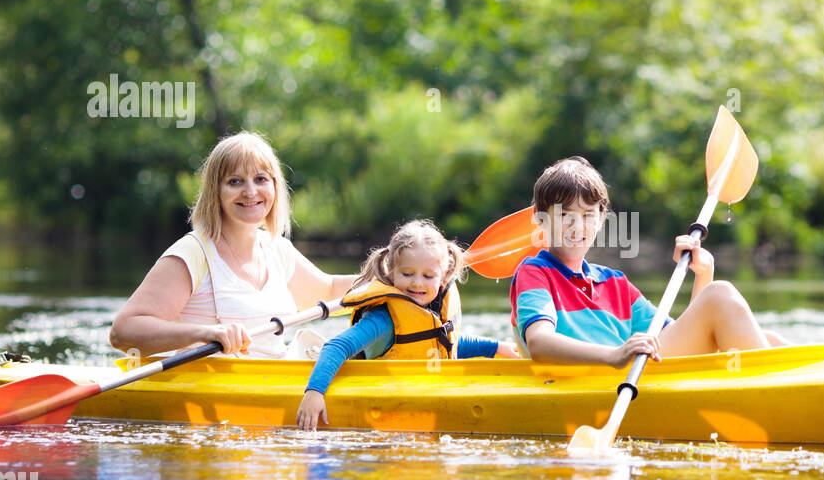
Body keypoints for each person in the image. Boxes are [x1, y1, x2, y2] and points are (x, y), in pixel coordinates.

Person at [511, 156, 789, 366]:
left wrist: (703, 274)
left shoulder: (615, 283)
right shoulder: (534, 273)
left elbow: (683, 337)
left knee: (770, 338)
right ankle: (781, 400)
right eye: (564, 215)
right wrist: (614, 354)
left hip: (637, 370)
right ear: (540, 219)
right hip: (602, 377)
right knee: (721, 296)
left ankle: (816, 383)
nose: (576, 226)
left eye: (587, 215)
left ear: (601, 219)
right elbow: (539, 343)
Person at [110, 131, 359, 359]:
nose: (250, 191)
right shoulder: (193, 253)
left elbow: (329, 291)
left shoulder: (276, 249)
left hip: (271, 385)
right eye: (235, 182)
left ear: (274, 186)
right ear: (215, 192)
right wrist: (206, 333)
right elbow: (123, 332)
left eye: (260, 179)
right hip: (209, 391)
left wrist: (385, 279)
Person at [296, 220, 519, 430]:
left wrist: (497, 348)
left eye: (428, 276)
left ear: (443, 277)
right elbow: (337, 346)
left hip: (421, 402)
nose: (417, 283)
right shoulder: (383, 320)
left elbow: (447, 343)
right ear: (391, 272)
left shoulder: (435, 309)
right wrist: (314, 392)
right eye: (407, 273)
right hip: (381, 409)